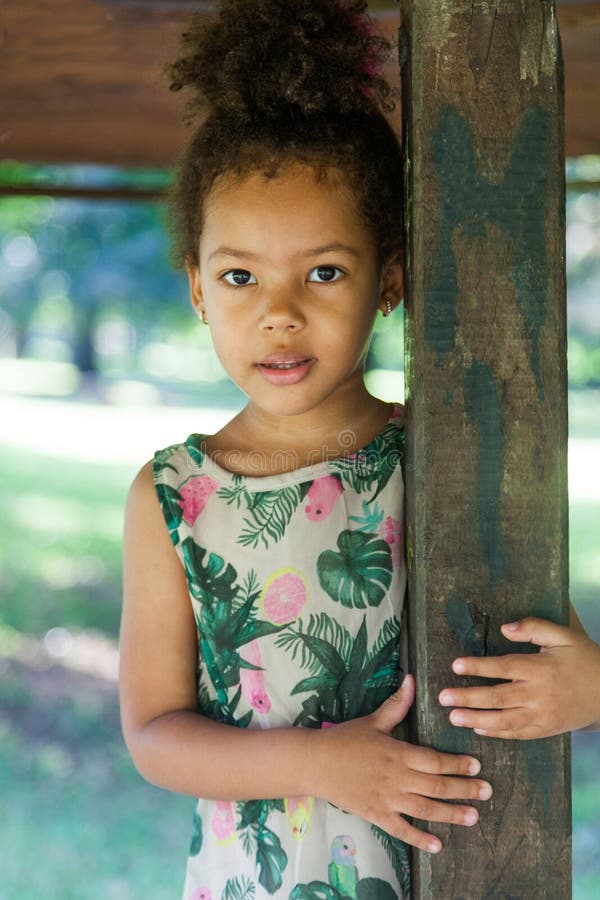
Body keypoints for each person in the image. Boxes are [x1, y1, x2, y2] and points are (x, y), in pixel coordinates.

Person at [119, 2, 600, 898]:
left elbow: (545, 642)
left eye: (325, 272)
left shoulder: (446, 457)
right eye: (239, 276)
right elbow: (154, 735)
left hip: (454, 868)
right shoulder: (172, 496)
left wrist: (592, 686)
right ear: (197, 289)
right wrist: (318, 763)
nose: (280, 313)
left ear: (390, 280)